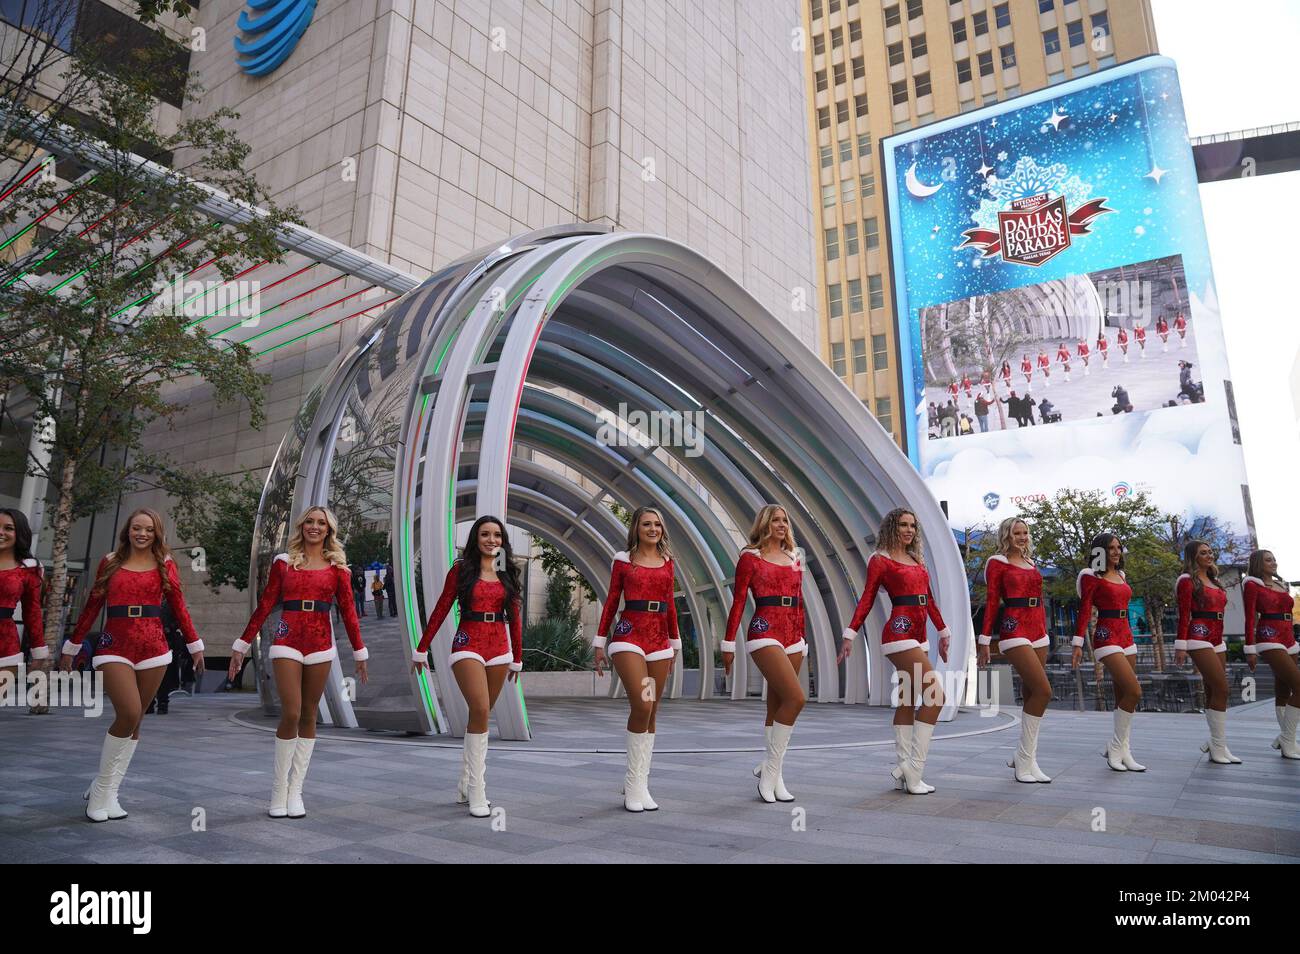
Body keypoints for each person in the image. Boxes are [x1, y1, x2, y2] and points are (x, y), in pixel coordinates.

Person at [61, 509, 205, 822]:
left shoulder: (166, 563)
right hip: (114, 646)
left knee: (137, 721)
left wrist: (195, 646)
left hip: (154, 649)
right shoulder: (110, 561)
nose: (142, 534)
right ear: (128, 530)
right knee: (127, 713)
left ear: (157, 534)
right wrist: (72, 646)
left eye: (148, 530)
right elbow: (92, 606)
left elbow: (179, 606)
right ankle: (100, 791)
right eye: (136, 528)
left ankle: (110, 790)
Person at [229, 507, 368, 818]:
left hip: (321, 643)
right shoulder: (283, 563)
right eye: (309, 522)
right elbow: (265, 604)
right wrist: (242, 644)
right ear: (301, 526)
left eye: (321, 523)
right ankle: (278, 791)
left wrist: (360, 653)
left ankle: (296, 791)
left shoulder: (338, 570)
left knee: (308, 714)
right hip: (287, 638)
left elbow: (348, 613)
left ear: (329, 530)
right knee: (290, 712)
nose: (314, 527)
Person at [412, 516, 523, 816]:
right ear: (475, 538)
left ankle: (464, 782)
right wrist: (421, 649)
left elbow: (514, 615)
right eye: (485, 534)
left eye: (497, 535)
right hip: (467, 644)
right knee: (481, 710)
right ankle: (477, 790)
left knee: (482, 717)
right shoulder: (462, 569)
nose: (492, 540)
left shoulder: (506, 571)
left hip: (500, 649)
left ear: (503, 540)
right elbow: (441, 607)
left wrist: (518, 656)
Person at [840, 508, 952, 795]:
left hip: (921, 636)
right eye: (903, 525)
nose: (909, 530)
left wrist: (943, 632)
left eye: (912, 525)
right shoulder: (881, 560)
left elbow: (929, 602)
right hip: (899, 634)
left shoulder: (917, 560)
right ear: (892, 527)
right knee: (936, 696)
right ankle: (913, 768)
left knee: (906, 702)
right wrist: (850, 634)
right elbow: (866, 599)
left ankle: (906, 771)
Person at [593, 507, 681, 812]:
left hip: (659, 640)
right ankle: (631, 783)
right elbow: (611, 601)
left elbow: (670, 605)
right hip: (629, 636)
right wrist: (600, 641)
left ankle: (642, 784)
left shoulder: (669, 563)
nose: (653, 528)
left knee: (652, 711)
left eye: (657, 524)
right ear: (637, 528)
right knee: (643, 704)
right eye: (647, 524)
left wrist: (674, 644)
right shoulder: (623, 560)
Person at [721, 506, 807, 803]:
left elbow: (800, 601)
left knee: (777, 706)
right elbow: (739, 600)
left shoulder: (796, 558)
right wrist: (728, 643)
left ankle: (776, 774)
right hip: (764, 629)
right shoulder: (750, 556)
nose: (782, 524)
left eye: (785, 519)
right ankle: (770, 771)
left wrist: (803, 637)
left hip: (793, 635)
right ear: (764, 524)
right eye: (776, 520)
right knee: (796, 699)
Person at [980, 518, 1053, 782]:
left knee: (1033, 692)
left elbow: (1040, 603)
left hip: (1038, 632)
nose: (1022, 537)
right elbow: (991, 602)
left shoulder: (1033, 564)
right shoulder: (997, 562)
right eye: (1016, 533)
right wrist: (985, 639)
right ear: (1007, 536)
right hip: (1014, 628)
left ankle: (1027, 757)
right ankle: (1024, 759)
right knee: (1044, 691)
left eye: (1025, 533)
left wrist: (1045, 633)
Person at [1074, 532, 1145, 772]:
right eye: (1111, 548)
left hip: (1127, 636)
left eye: (1118, 547)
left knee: (1123, 697)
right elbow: (1084, 610)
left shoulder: (1122, 576)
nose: (1116, 552)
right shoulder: (1091, 576)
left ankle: (1123, 749)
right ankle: (1116, 747)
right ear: (1100, 552)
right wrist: (1077, 643)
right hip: (1106, 636)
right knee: (1134, 691)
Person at [1174, 541, 1238, 764]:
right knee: (1223, 687)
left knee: (1214, 690)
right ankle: (1218, 745)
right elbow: (1184, 615)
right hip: (1198, 635)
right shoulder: (1186, 581)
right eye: (1203, 553)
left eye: (1210, 552)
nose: (1209, 555)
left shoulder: (1215, 580)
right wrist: (1181, 645)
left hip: (1217, 637)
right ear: (1193, 557)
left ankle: (1216, 743)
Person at [1242, 549, 1300, 759]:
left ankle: (1287, 739)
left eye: (1274, 559)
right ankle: (1287, 740)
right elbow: (1250, 618)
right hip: (1269, 635)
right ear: (1258, 563)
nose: (1273, 563)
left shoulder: (1281, 584)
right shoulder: (1251, 584)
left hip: (1289, 637)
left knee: (1284, 690)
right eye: (1268, 560)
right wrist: (1250, 648)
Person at [0, 509, 46, 698]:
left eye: (8, 528)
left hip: (5, 645)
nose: (1, 532)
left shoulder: (29, 569)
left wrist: (38, 652)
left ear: (19, 533)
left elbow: (32, 611)